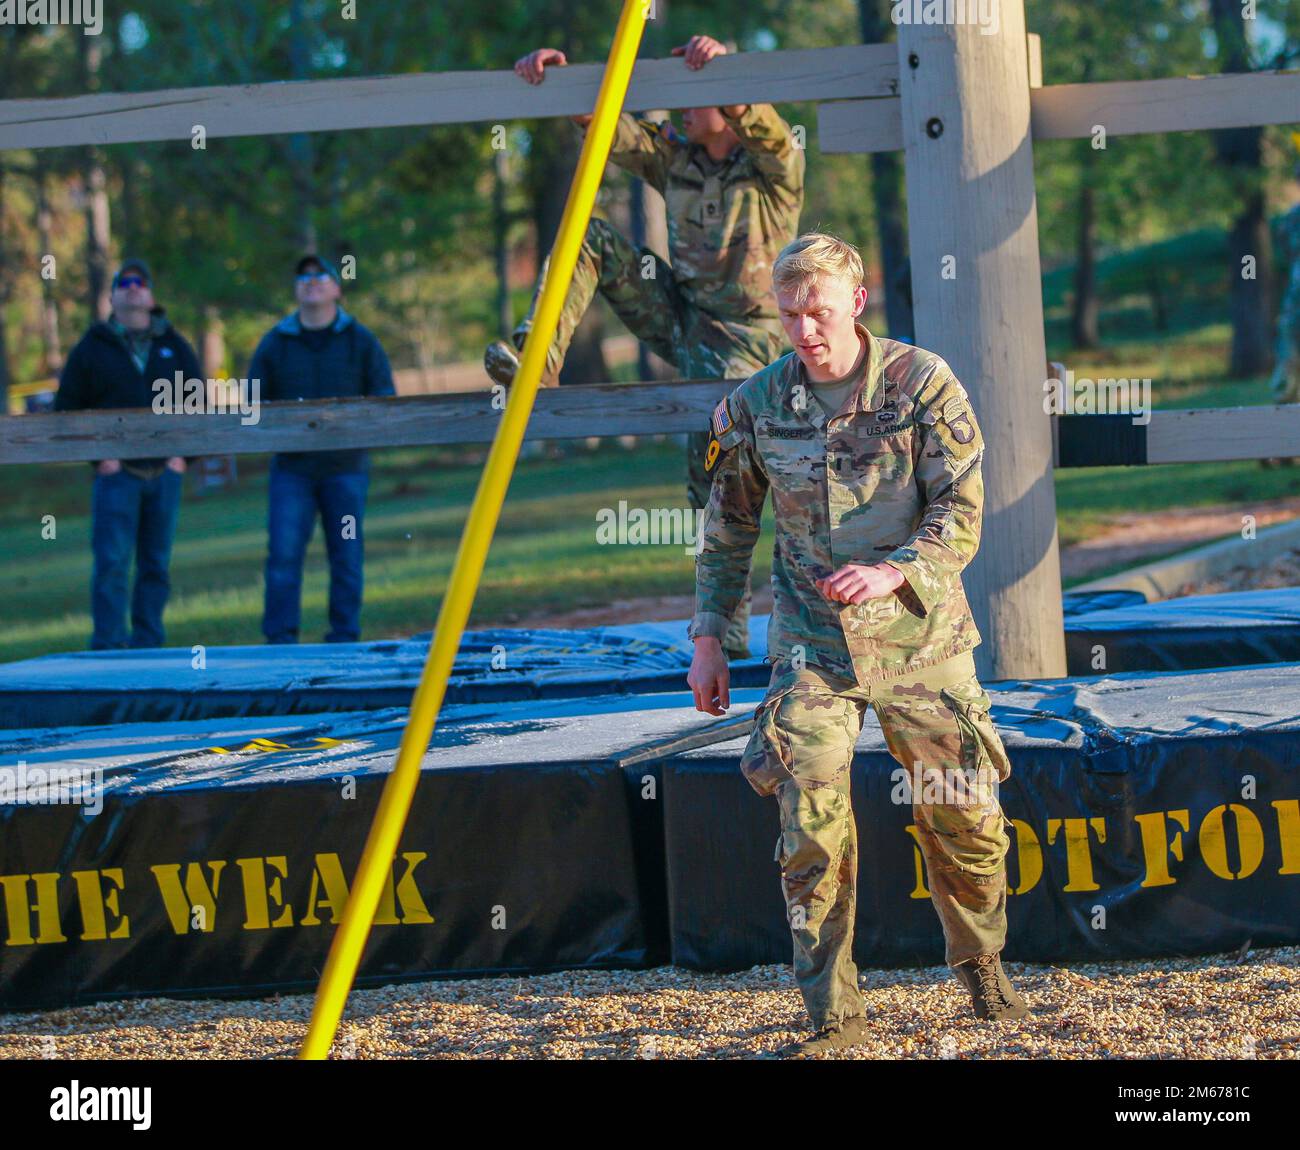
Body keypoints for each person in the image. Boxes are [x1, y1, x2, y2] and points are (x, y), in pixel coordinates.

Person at [686, 232, 1028, 1058]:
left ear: (858, 302)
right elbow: (728, 525)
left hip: (921, 639)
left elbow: (963, 512)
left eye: (820, 312)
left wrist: (895, 572)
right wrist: (708, 636)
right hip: (812, 646)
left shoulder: (922, 384)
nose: (806, 330)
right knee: (810, 820)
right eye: (791, 313)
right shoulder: (755, 405)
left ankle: (981, 960)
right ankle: (832, 1011)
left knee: (965, 819)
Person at [486, 33, 805, 658]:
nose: (679, 108)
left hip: (754, 342)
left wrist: (724, 77)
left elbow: (769, 133)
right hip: (685, 321)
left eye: (694, 95)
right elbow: (614, 131)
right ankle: (537, 360)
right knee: (592, 235)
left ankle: (738, 635)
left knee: (720, 477)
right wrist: (562, 78)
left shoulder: (774, 170)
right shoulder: (677, 159)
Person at [54, 258, 201, 650]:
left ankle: (149, 644)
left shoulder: (174, 345)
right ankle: (108, 646)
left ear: (151, 295)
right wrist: (97, 456)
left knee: (155, 565)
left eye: (141, 282)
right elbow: (66, 409)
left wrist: (183, 459)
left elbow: (200, 405)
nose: (133, 287)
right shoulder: (92, 347)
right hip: (115, 476)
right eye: (125, 282)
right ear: (113, 294)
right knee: (112, 565)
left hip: (164, 475)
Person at [248, 255, 395, 644]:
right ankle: (280, 641)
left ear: (337, 288)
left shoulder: (360, 340)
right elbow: (251, 403)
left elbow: (385, 396)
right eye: (304, 276)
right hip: (291, 471)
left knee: (346, 556)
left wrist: (356, 428)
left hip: (345, 469)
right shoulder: (275, 342)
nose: (311, 281)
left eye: (321, 275)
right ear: (296, 289)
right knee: (282, 556)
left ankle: (344, 637)